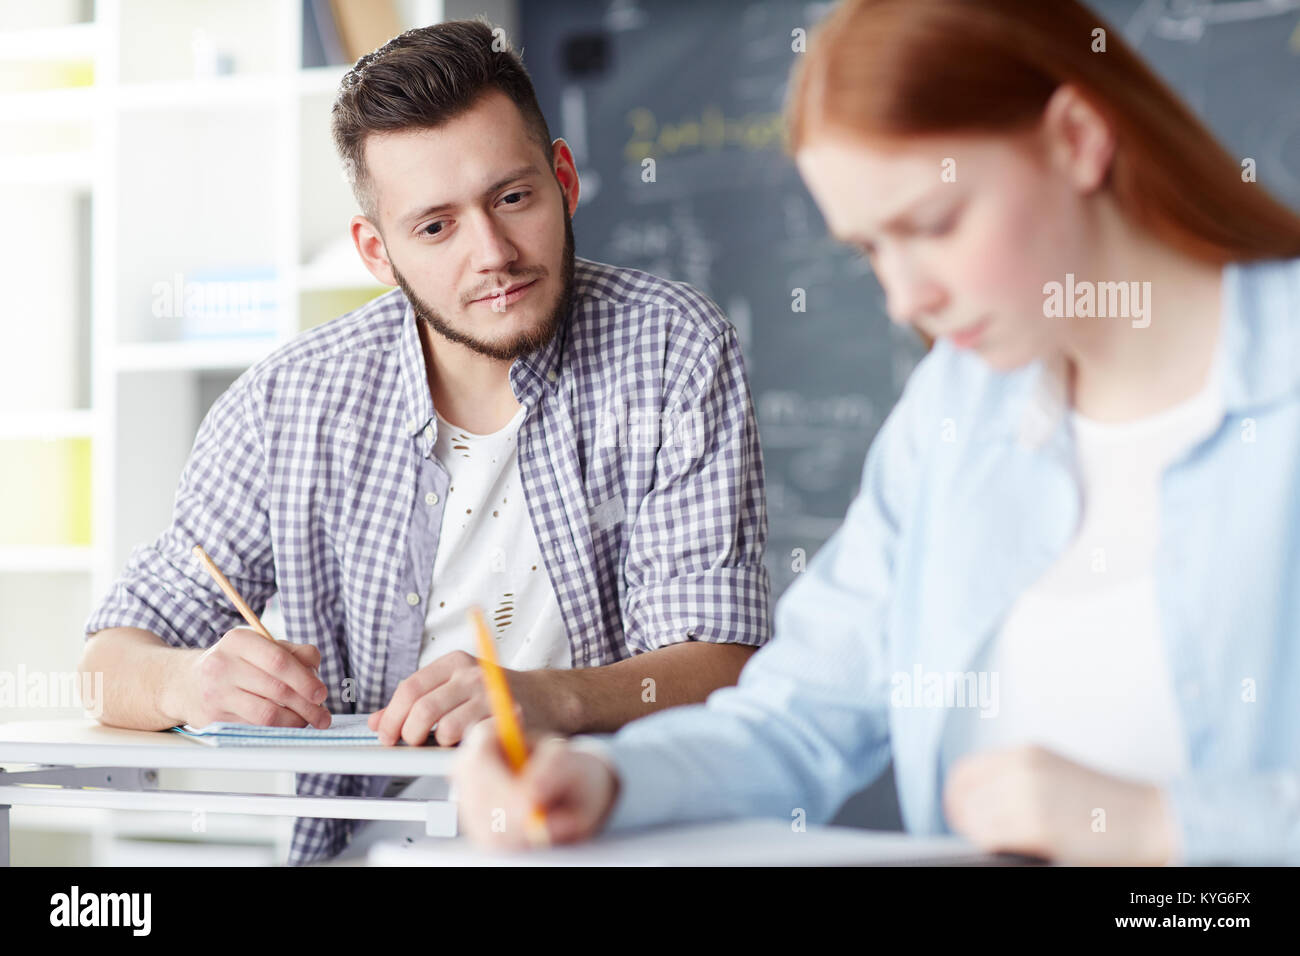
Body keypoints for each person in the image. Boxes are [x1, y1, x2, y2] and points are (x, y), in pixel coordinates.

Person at [451, 0, 1300, 865]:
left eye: (931, 226)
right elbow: (796, 720)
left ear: (1078, 139)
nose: (904, 300)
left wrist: (1161, 827)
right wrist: (609, 783)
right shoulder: (959, 410)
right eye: (871, 250)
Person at [80, 19, 770, 865]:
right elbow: (106, 661)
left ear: (563, 179)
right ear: (378, 252)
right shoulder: (290, 401)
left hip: (602, 840)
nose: (494, 256)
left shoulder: (671, 348)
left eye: (511, 198)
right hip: (366, 850)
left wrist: (548, 699)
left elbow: (723, 660)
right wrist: (190, 682)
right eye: (436, 227)